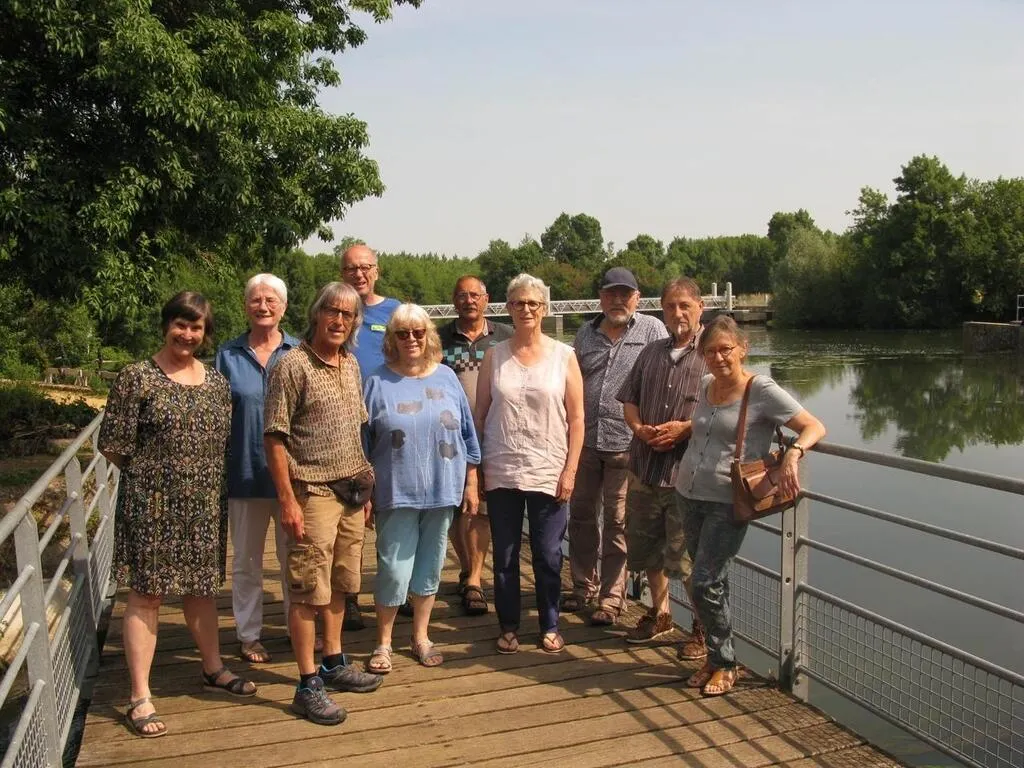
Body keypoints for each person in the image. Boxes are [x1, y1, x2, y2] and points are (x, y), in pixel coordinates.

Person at [98, 292, 257, 739]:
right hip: (151, 503)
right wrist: (155, 478)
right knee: (147, 595)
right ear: (166, 325)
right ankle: (140, 695)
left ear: (206, 333)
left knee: (202, 590)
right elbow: (112, 443)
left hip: (205, 504)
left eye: (197, 327)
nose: (187, 335)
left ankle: (213, 668)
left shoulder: (216, 382)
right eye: (180, 325)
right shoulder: (137, 378)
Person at [676, 314, 826, 697]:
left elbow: (813, 426)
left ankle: (726, 664)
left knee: (704, 580)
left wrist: (792, 454)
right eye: (709, 351)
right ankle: (716, 657)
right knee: (712, 581)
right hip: (689, 493)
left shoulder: (761, 389)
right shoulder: (707, 384)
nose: (718, 358)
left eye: (725, 349)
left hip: (729, 501)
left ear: (743, 349)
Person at [264, 282, 384, 727]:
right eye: (331, 311)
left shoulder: (350, 364)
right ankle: (306, 682)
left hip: (351, 492)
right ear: (316, 314)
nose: (338, 320)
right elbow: (274, 437)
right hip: (310, 491)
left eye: (348, 315)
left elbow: (356, 430)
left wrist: (365, 489)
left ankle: (334, 662)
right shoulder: (291, 365)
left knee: (340, 583)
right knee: (305, 589)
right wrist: (287, 500)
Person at [363, 304, 481, 672]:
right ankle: (383, 643)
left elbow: (467, 434)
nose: (411, 339)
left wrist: (472, 483)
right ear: (391, 339)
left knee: (430, 567)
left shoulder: (447, 377)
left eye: (418, 332)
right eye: (402, 333)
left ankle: (420, 636)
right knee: (394, 569)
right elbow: (362, 441)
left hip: (442, 488)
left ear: (428, 336)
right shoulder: (376, 381)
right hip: (395, 490)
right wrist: (365, 492)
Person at [475, 273, 584, 655]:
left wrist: (570, 469)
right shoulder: (494, 355)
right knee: (504, 555)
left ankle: (550, 623)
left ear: (545, 309)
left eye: (533, 303)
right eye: (519, 303)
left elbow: (577, 419)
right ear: (508, 308)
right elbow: (480, 413)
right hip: (502, 466)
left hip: (549, 468)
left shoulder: (564, 356)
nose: (526, 309)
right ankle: (508, 626)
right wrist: (477, 469)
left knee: (548, 553)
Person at [563, 267, 667, 626]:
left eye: (625, 294)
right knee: (580, 516)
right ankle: (582, 587)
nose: (618, 300)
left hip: (628, 444)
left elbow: (670, 373)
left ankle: (612, 597)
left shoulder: (653, 330)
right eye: (611, 294)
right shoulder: (585, 333)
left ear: (637, 298)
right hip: (584, 440)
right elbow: (572, 382)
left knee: (618, 521)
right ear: (600, 297)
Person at [616, 278, 709, 658]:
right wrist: (639, 430)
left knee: (686, 560)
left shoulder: (713, 354)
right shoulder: (651, 352)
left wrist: (686, 428)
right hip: (645, 470)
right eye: (671, 306)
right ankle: (660, 614)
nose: (678, 313)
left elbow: (729, 409)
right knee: (647, 550)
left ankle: (701, 629)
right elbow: (629, 401)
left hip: (687, 477)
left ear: (700, 306)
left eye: (685, 305)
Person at [215, 274, 300, 664]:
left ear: (283, 307)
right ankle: (249, 635)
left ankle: (297, 629)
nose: (263, 306)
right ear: (245, 305)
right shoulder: (227, 355)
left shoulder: (299, 353)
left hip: (294, 478)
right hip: (245, 473)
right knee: (247, 561)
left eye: (271, 300)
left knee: (294, 560)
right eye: (255, 300)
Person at [438, 276, 512, 616]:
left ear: (487, 299)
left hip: (493, 434)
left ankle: (475, 580)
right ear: (454, 300)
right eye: (462, 295)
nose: (469, 301)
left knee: (478, 507)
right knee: (456, 508)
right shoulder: (437, 339)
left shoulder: (505, 338)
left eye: (475, 295)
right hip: (447, 438)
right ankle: (469, 569)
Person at [340, 243, 401, 628]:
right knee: (349, 517)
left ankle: (394, 589)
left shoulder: (394, 311)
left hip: (387, 425)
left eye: (365, 267)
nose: (359, 274)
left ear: (376, 270)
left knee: (391, 511)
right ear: (342, 273)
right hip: (345, 427)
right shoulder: (334, 308)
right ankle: (348, 596)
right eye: (351, 268)